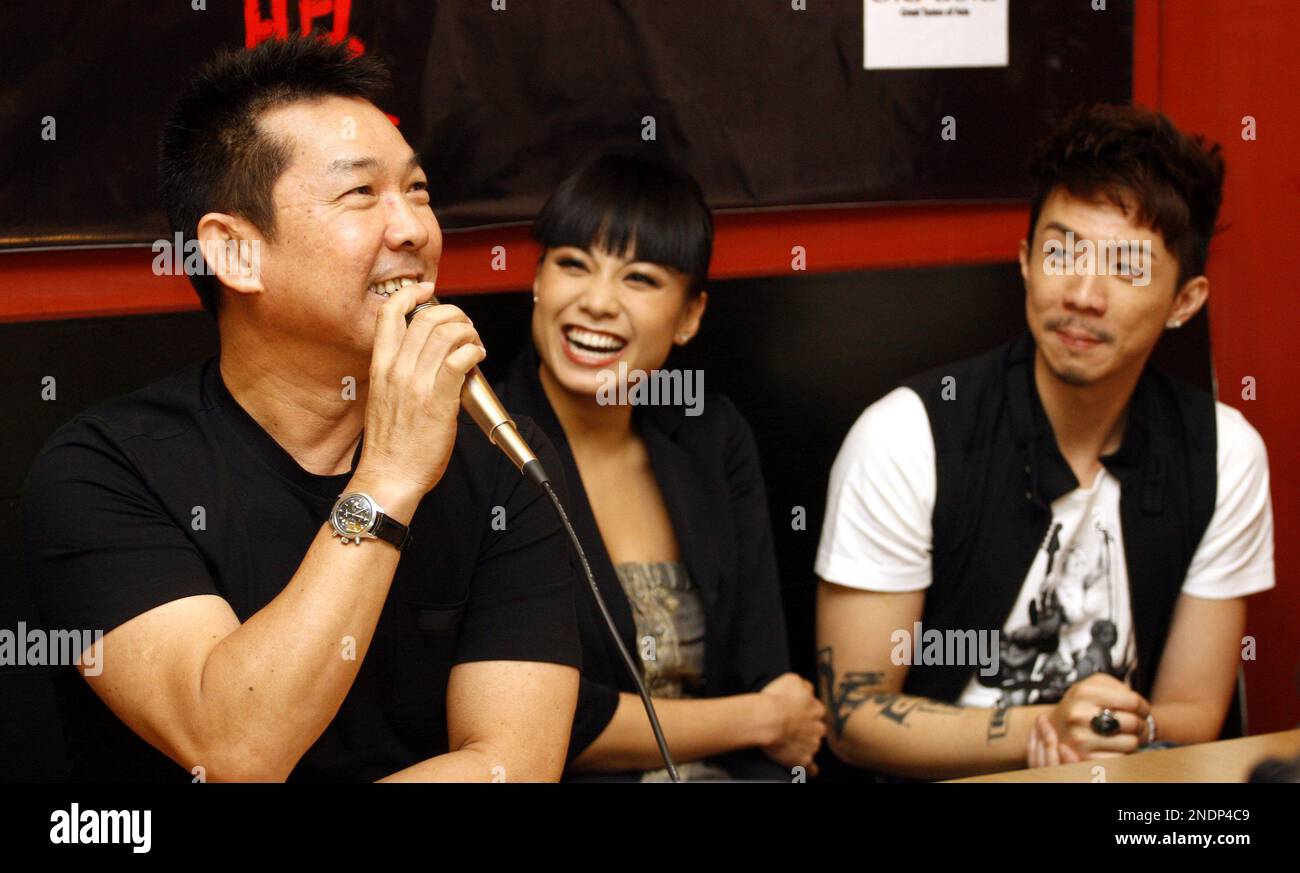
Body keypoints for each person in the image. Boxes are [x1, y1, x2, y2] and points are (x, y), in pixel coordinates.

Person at [21, 36, 580, 782]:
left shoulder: (500, 459)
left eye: (416, 190)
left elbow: (514, 762)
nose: (413, 229)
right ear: (234, 253)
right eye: (361, 194)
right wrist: (386, 481)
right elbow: (233, 748)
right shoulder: (103, 472)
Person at [815, 103, 1275, 780]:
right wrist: (1044, 727)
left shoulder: (1223, 452)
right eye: (1061, 252)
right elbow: (853, 717)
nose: (1083, 294)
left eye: (1126, 267)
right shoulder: (905, 437)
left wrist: (1116, 729)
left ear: (1185, 300)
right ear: (1027, 261)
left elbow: (1190, 712)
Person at [495, 153, 826, 781]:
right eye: (572, 265)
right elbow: (550, 722)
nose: (596, 301)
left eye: (639, 279)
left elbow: (764, 664)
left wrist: (775, 721)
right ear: (537, 279)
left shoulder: (711, 435)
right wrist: (761, 721)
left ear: (690, 315)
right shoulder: (482, 445)